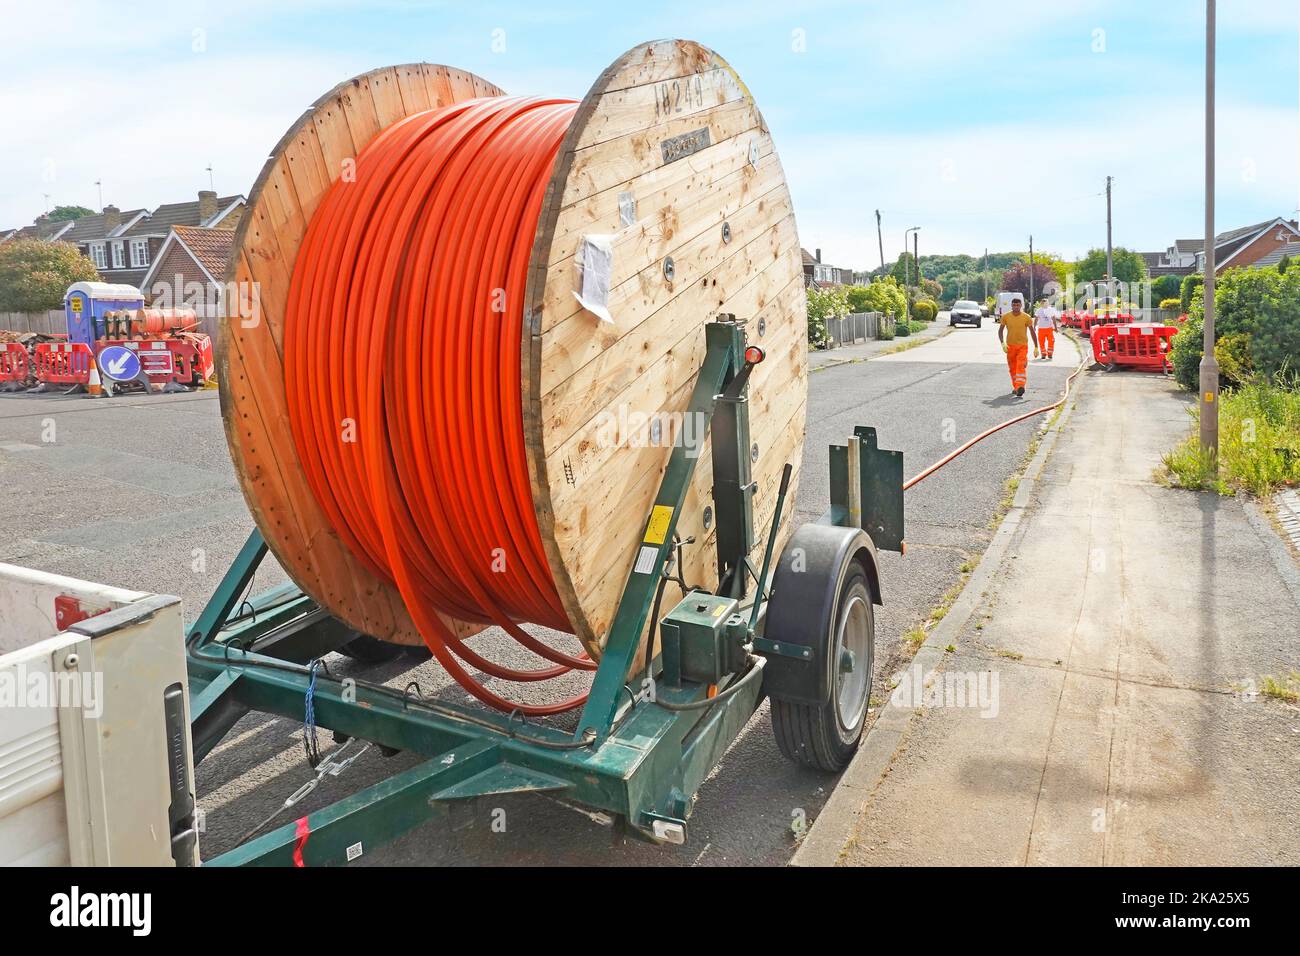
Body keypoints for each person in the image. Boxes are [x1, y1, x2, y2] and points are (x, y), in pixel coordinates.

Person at [997, 295, 1038, 397]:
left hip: (1022, 346)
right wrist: (1002, 343)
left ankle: (1020, 386)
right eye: (1014, 305)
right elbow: (1000, 330)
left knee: (1020, 365)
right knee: (1012, 368)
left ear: (1021, 306)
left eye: (1018, 305)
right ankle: (1016, 387)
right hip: (1010, 346)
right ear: (1011, 306)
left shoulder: (1026, 317)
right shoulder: (1006, 317)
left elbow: (1032, 332)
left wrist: (1036, 347)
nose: (1016, 306)